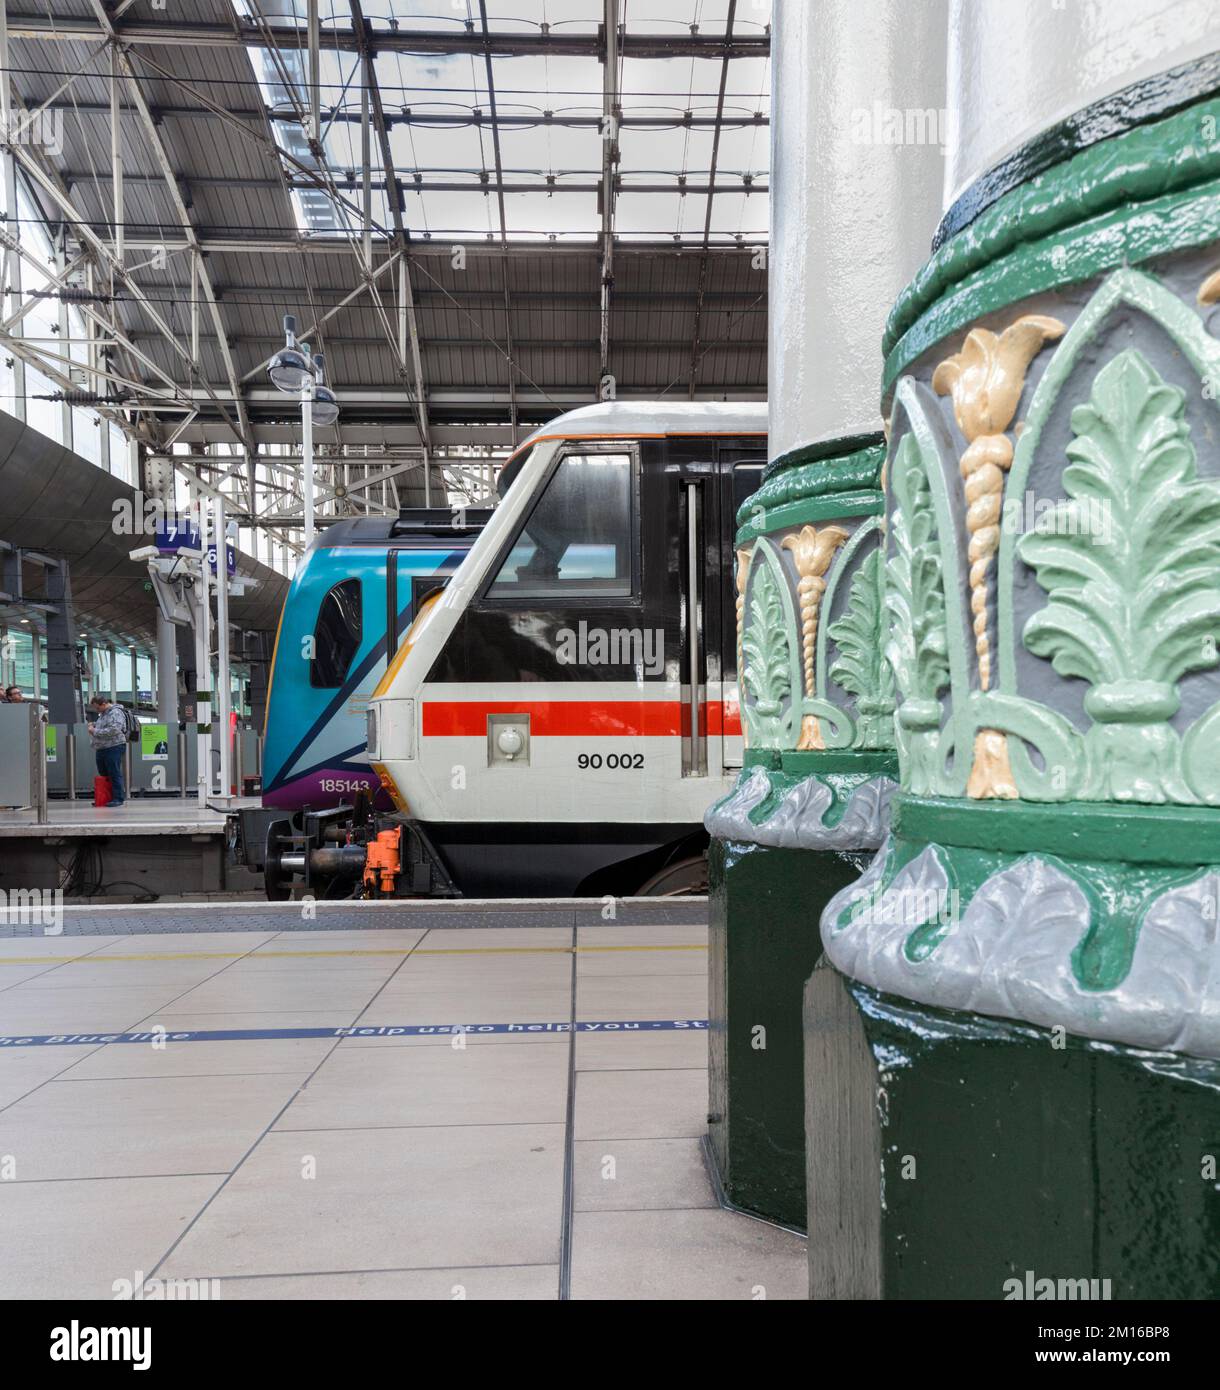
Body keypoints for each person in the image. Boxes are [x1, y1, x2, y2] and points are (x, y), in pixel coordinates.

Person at [88, 694, 128, 806]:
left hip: (114, 746)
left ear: (104, 704)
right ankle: (106, 797)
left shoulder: (116, 712)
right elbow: (104, 725)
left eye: (97, 708)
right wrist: (94, 724)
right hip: (102, 747)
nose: (96, 710)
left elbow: (114, 729)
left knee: (114, 772)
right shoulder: (104, 714)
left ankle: (118, 798)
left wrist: (94, 731)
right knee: (104, 774)